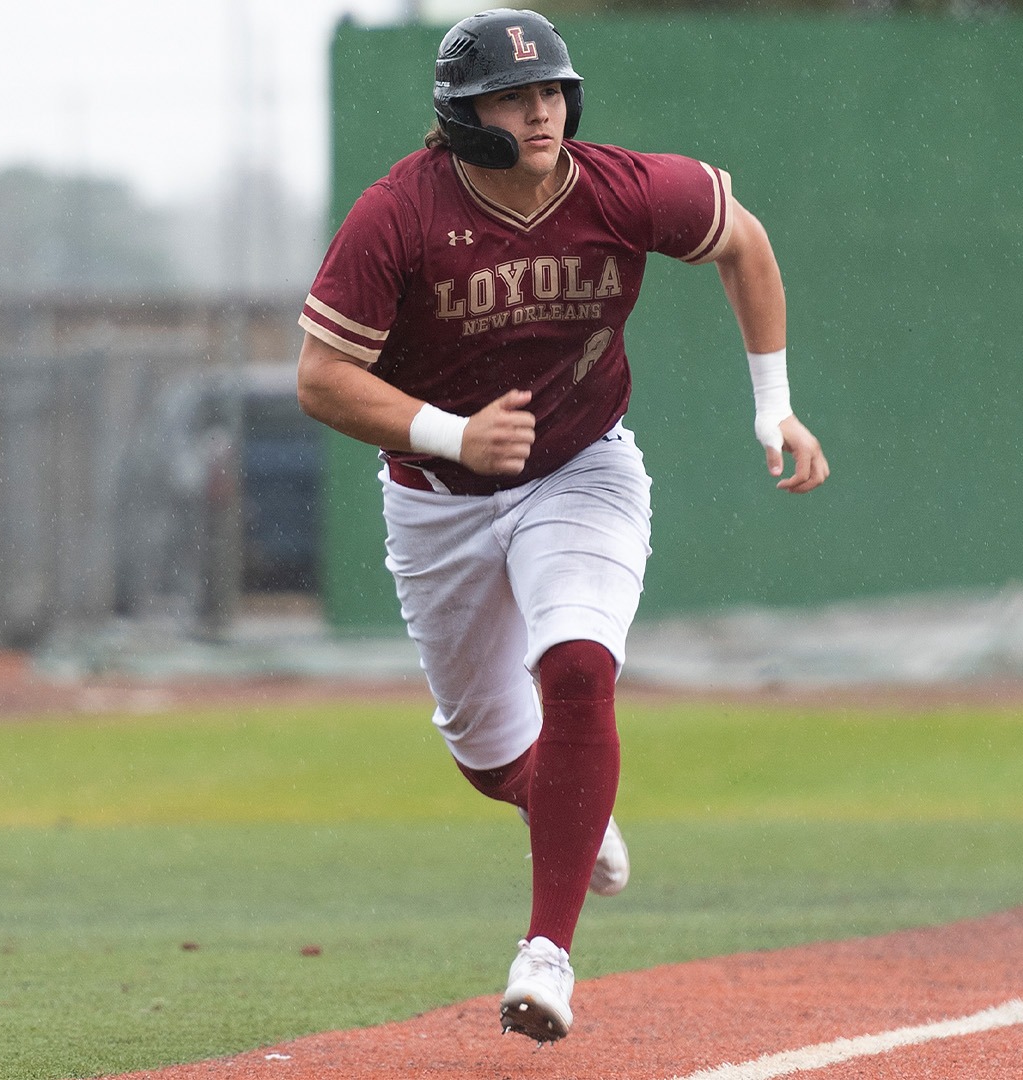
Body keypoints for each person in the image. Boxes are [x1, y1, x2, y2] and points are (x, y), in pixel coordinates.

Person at [296, 9, 828, 1043]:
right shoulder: (397, 215)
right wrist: (452, 433)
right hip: (437, 498)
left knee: (579, 665)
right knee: (488, 755)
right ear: (462, 115)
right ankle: (569, 810)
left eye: (549, 92)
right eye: (510, 97)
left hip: (582, 466)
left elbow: (745, 241)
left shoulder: (619, 189)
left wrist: (775, 405)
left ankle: (546, 954)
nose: (539, 113)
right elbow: (321, 378)